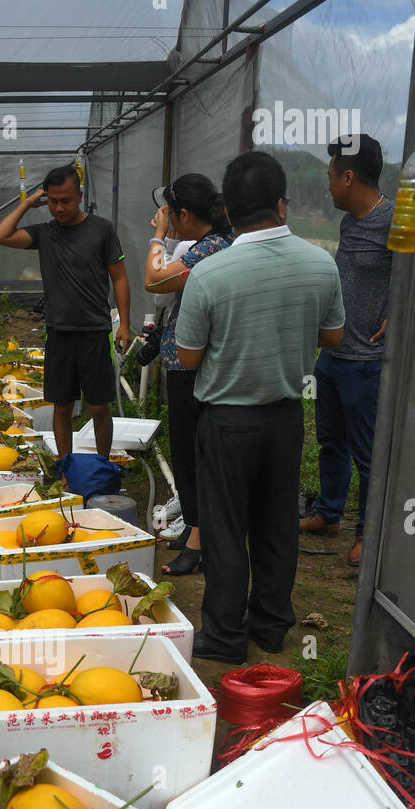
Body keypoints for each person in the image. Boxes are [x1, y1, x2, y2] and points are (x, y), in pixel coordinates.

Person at [175, 151, 345, 664]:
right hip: (285, 416)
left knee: (224, 528)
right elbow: (333, 335)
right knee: (275, 524)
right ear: (281, 205)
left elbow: (187, 356)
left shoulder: (208, 273)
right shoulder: (320, 262)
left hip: (226, 420)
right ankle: (270, 625)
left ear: (229, 211)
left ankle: (225, 636)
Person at [0, 164, 131, 460]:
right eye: (52, 201)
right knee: (62, 405)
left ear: (79, 196)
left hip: (94, 331)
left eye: (65, 200)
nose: (58, 207)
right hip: (59, 332)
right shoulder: (45, 234)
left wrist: (124, 324)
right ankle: (66, 467)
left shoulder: (101, 229)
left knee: (99, 406)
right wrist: (28, 202)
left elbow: (119, 276)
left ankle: (103, 466)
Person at [300, 134, 393, 568]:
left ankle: (369, 535)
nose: (328, 186)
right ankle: (329, 513)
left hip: (368, 361)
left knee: (369, 453)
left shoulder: (396, 219)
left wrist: (399, 312)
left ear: (349, 176)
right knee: (330, 440)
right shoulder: (349, 220)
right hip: (334, 353)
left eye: (331, 177)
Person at [144, 175, 232, 576]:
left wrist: (158, 237)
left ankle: (198, 539)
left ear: (182, 213)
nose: (165, 218)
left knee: (195, 454)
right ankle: (195, 529)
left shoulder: (211, 249)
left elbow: (153, 278)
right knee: (185, 452)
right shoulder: (205, 246)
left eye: (170, 213)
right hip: (183, 366)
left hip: (193, 369)